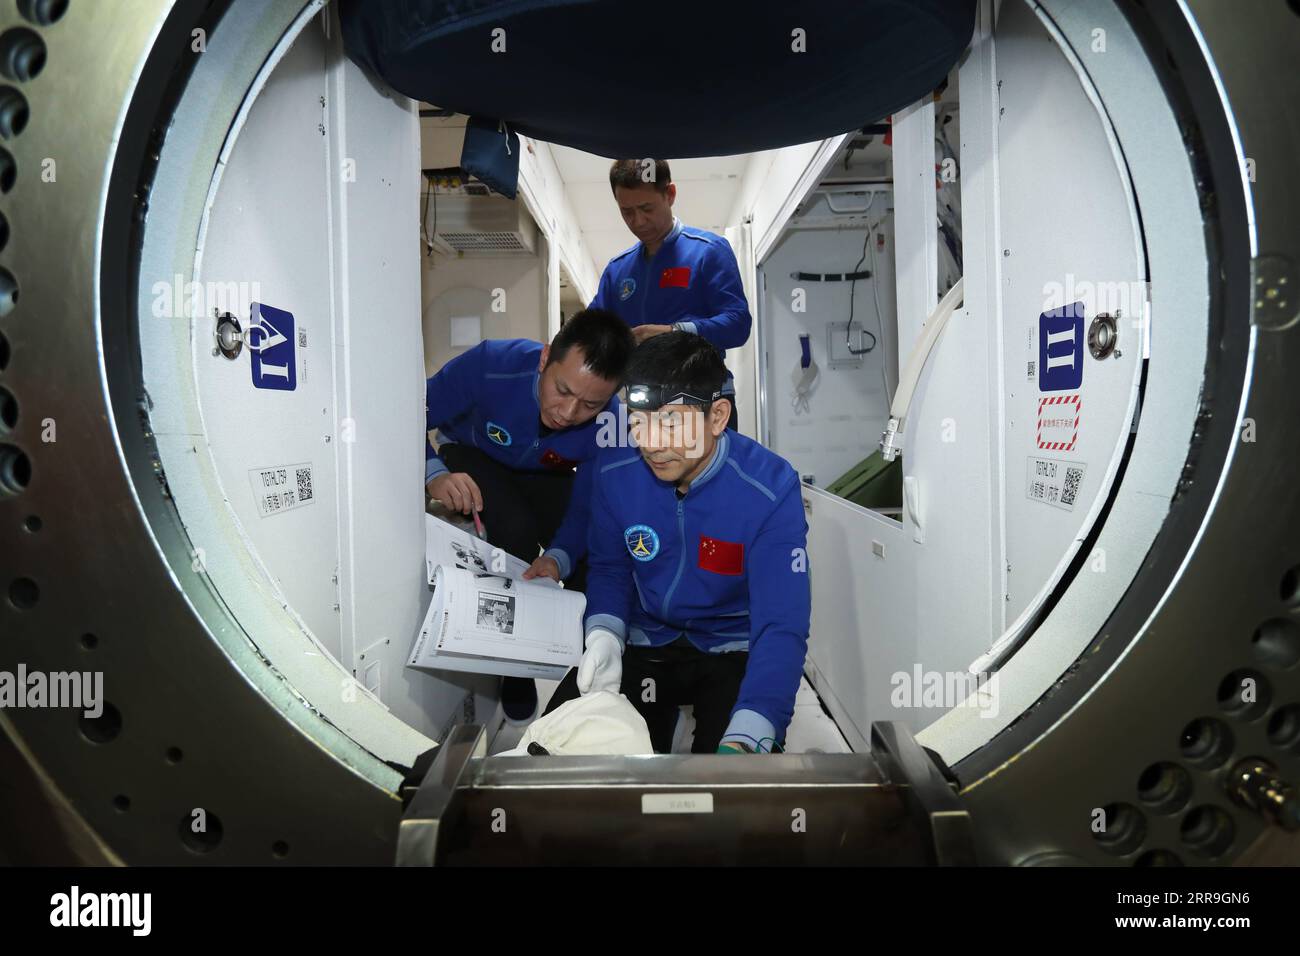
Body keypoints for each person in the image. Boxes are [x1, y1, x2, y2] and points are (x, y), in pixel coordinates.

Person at [541, 332, 811, 753]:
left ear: (718, 417)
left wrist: (754, 725)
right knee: (561, 754)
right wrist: (605, 635)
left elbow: (781, 623)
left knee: (728, 794)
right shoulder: (616, 472)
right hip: (646, 639)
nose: (650, 443)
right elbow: (611, 568)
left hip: (732, 646)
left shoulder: (770, 489)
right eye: (637, 420)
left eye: (670, 421)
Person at [424, 309, 634, 720]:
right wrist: (434, 474)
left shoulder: (611, 422)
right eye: (562, 390)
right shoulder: (491, 365)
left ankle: (586, 683)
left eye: (590, 403)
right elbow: (408, 415)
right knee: (515, 530)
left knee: (592, 554)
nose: (569, 413)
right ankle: (513, 671)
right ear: (544, 359)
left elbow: (588, 505)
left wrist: (559, 556)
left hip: (545, 470)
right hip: (472, 455)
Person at [589, 158, 751, 430]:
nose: (638, 221)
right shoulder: (617, 271)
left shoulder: (709, 251)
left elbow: (738, 324)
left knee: (707, 474)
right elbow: (591, 331)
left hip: (704, 401)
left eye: (646, 208)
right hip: (642, 408)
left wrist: (676, 332)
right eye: (627, 211)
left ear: (670, 194)